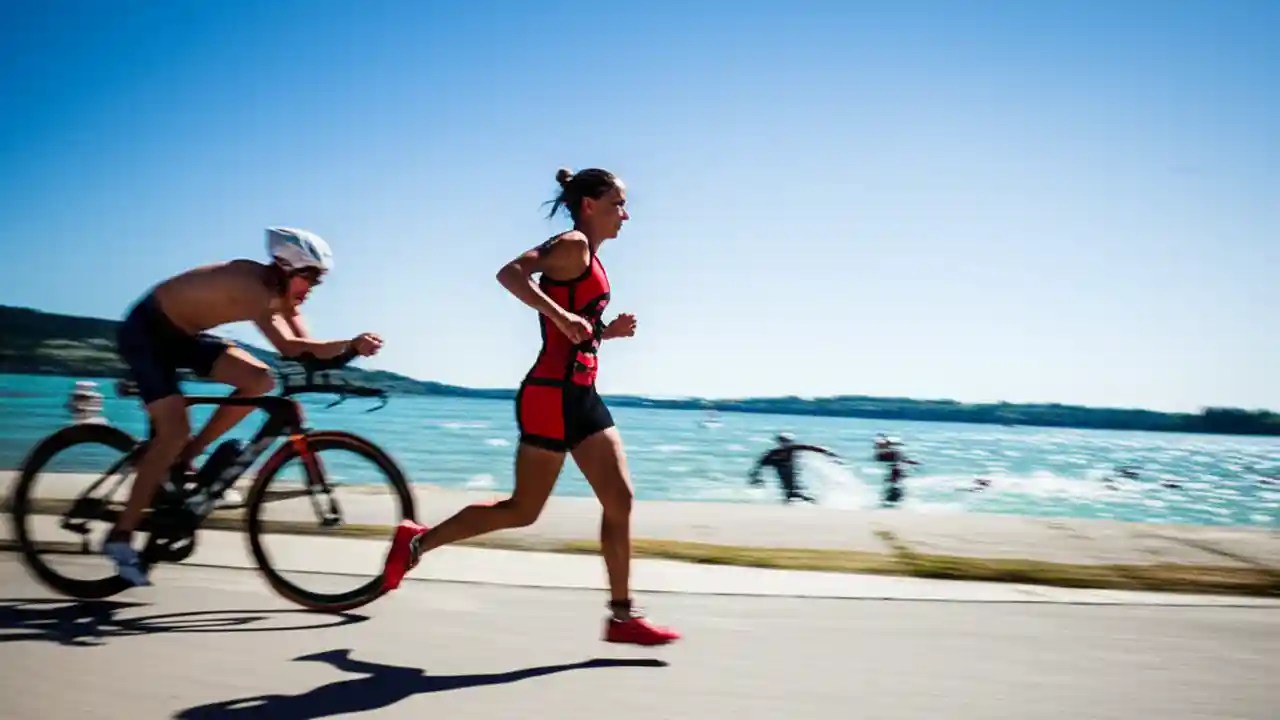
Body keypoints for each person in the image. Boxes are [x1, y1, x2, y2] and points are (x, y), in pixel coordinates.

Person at [381, 168, 679, 646]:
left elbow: (575, 332)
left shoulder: (592, 258)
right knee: (522, 511)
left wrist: (605, 332)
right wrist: (560, 315)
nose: (625, 214)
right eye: (617, 204)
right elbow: (510, 274)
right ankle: (417, 542)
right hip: (550, 396)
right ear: (588, 205)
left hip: (581, 395)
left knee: (619, 499)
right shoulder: (573, 245)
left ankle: (622, 618)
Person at [106, 227, 383, 586]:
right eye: (310, 278)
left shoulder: (283, 295)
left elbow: (308, 346)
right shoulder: (253, 288)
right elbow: (290, 346)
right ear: (286, 268)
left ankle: (187, 457)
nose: (312, 289)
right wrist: (350, 344)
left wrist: (348, 352)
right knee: (172, 431)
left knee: (260, 381)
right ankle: (120, 536)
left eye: (317, 281)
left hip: (184, 336)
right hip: (146, 333)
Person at [748, 433, 840, 504]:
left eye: (786, 441)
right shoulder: (773, 453)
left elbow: (812, 448)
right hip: (784, 473)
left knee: (793, 492)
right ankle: (812, 503)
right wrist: (756, 476)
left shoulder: (790, 449)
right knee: (791, 492)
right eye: (783, 441)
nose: (785, 443)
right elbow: (760, 464)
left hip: (790, 473)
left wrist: (829, 454)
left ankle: (815, 503)